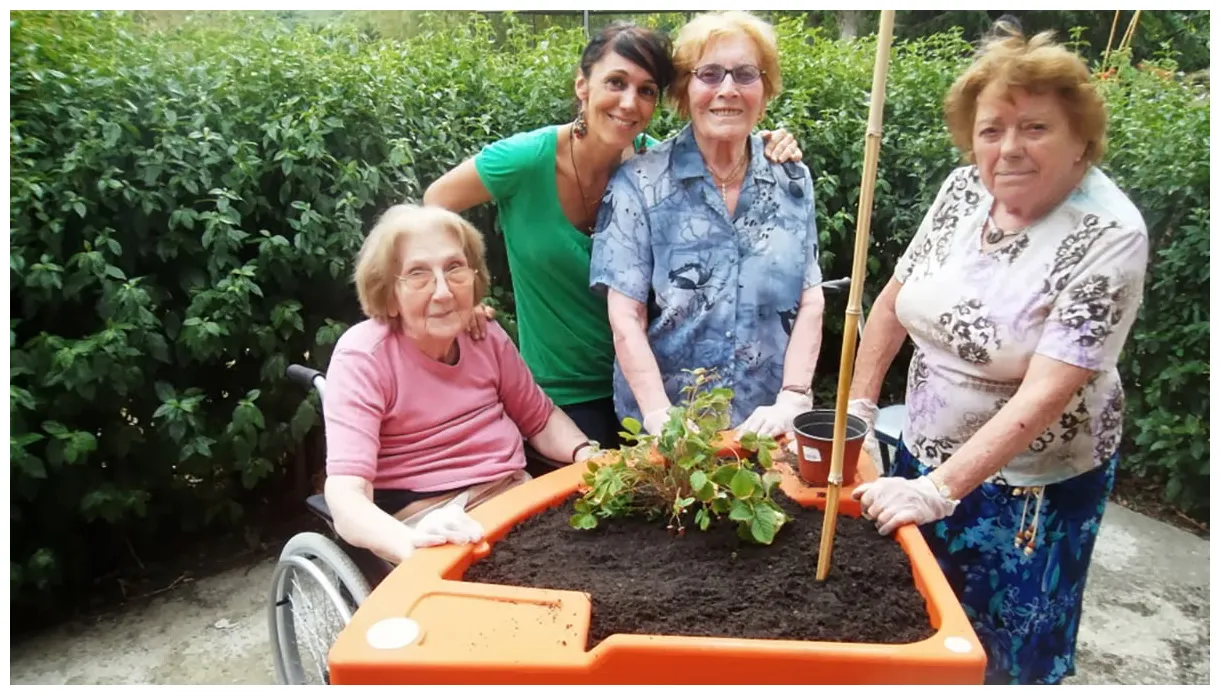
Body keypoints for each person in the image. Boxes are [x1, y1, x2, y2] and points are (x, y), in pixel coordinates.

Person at [848, 19, 1149, 685]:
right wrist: (861, 413)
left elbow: (1049, 389)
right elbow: (897, 299)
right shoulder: (963, 191)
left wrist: (939, 487)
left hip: (1029, 491)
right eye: (991, 129)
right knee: (921, 624)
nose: (1007, 148)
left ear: (1080, 140)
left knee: (1003, 657)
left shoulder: (1109, 234)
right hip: (922, 453)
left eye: (1034, 127)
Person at [423, 21, 804, 450]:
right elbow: (434, 202)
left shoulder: (655, 171)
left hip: (650, 386)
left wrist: (770, 145)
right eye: (616, 83)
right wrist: (466, 293)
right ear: (583, 86)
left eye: (645, 91)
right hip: (561, 393)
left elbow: (727, 168)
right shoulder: (525, 160)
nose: (629, 103)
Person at [588, 11, 824, 439]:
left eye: (746, 74)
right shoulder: (639, 184)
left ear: (765, 89)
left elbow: (810, 299)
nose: (728, 90)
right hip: (670, 433)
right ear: (684, 90)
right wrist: (661, 417)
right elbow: (626, 317)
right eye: (710, 74)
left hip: (766, 426)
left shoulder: (792, 179)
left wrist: (794, 394)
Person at [322, 204, 598, 566]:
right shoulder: (363, 358)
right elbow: (346, 495)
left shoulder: (485, 336)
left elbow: (540, 420)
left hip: (515, 501)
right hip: (428, 522)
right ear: (389, 294)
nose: (443, 292)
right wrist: (410, 544)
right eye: (418, 274)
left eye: (454, 268)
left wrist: (587, 455)